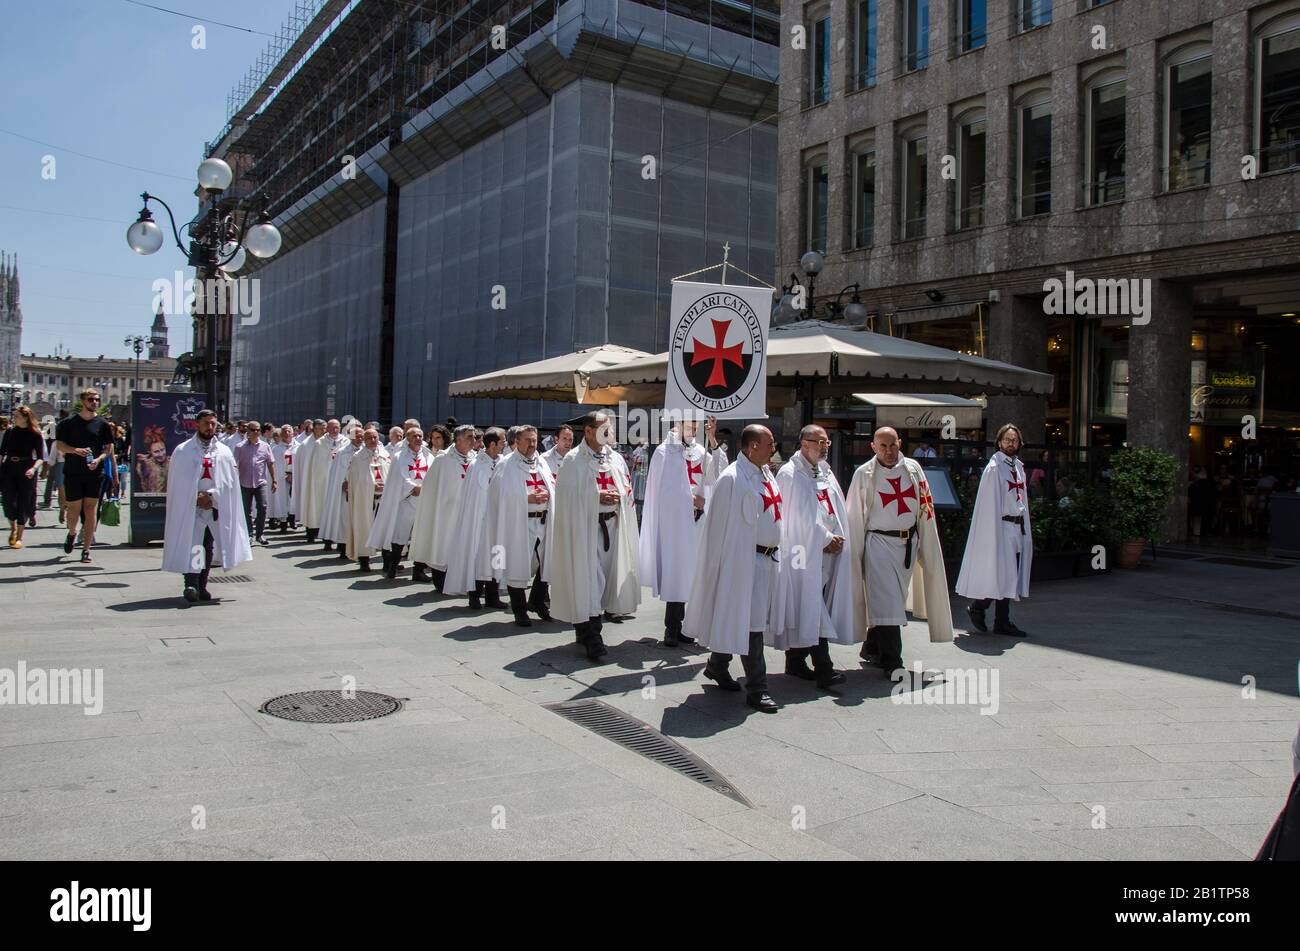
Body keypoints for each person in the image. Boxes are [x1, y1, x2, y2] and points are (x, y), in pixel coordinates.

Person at [831, 426, 953, 675]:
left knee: (891, 600)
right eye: (883, 446)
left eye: (893, 445)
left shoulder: (913, 469)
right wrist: (855, 555)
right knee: (888, 602)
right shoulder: (864, 474)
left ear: (900, 444)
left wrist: (924, 541)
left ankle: (872, 647)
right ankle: (892, 662)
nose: (888, 451)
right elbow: (854, 516)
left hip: (908, 543)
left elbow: (925, 505)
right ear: (873, 447)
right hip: (879, 544)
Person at [683, 425, 781, 713]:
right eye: (768, 443)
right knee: (752, 628)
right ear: (751, 447)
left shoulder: (764, 473)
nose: (772, 448)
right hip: (743, 562)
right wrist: (722, 569)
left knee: (747, 620)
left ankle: (717, 665)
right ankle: (758, 689)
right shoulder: (732, 479)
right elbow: (717, 530)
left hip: (767, 560)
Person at [549, 411, 640, 662]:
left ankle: (583, 626)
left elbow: (626, 487)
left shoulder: (616, 459)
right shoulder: (573, 461)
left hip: (613, 526)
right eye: (602, 428)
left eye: (609, 428)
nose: (608, 432)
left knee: (606, 580)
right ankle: (593, 637)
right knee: (589, 579)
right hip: (585, 530)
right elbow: (566, 499)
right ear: (588, 431)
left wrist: (619, 498)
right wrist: (595, 498)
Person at [637, 416, 726, 648]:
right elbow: (662, 490)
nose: (694, 430)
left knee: (696, 575)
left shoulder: (703, 451)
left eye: (697, 426)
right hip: (676, 523)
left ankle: (689, 627)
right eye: (689, 425)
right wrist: (688, 500)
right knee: (677, 572)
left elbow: (719, 475)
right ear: (678, 425)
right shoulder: (665, 452)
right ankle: (672, 628)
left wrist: (712, 439)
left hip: (699, 521)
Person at [774, 424, 849, 688]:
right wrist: (825, 539)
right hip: (801, 552)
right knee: (811, 606)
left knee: (810, 606)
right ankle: (824, 668)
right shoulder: (790, 474)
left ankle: (794, 662)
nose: (824, 446)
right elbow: (796, 516)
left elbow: (834, 507)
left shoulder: (824, 471)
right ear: (804, 443)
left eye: (826, 442)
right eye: (819, 442)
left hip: (827, 551)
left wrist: (838, 535)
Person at [161, 409, 251, 602]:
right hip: (191, 507)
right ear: (197, 425)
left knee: (207, 546)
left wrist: (212, 496)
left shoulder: (224, 452)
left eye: (212, 424)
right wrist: (195, 496)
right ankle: (191, 584)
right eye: (206, 423)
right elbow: (179, 482)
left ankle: (202, 585)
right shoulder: (184, 450)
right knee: (194, 546)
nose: (210, 427)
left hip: (214, 506)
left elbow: (229, 482)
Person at [956, 423, 1033, 637]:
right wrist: (994, 535)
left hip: (1017, 527)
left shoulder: (1017, 467)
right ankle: (982, 609)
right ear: (999, 442)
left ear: (1019, 443)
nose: (1011, 443)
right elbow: (989, 505)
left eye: (1014, 440)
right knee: (1004, 574)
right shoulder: (994, 468)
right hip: (1002, 527)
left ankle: (999, 619)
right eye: (1007, 440)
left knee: (1010, 575)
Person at [490, 424, 554, 626]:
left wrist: (548, 496)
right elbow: (500, 496)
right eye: (527, 440)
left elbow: (552, 486)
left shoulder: (541, 462)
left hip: (543, 521)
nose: (532, 444)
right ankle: (519, 610)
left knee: (547, 563)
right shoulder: (506, 464)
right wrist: (527, 498)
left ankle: (537, 601)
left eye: (534, 440)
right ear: (516, 442)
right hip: (519, 523)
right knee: (517, 566)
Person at [444, 427, 508, 610]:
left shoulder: (504, 462)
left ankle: (493, 596)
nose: (504, 445)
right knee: (477, 557)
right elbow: (477, 495)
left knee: (497, 555)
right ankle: (474, 594)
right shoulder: (477, 465)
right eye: (502, 442)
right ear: (493, 444)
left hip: (498, 520)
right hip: (479, 521)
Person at [409, 423, 476, 586]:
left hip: (468, 512)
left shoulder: (475, 458)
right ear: (458, 439)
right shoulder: (443, 459)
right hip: (446, 513)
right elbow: (431, 490)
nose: (473, 440)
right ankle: (440, 580)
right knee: (443, 544)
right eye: (469, 437)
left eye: (474, 436)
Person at [55, 389, 115, 563]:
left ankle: (86, 550)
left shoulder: (102, 424)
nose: (95, 402)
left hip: (95, 473)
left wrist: (99, 459)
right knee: (73, 509)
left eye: (97, 399)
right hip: (73, 472)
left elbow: (108, 448)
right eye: (91, 399)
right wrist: (75, 450)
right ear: (83, 401)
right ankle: (72, 533)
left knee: (90, 509)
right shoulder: (68, 423)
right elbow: (59, 445)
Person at [367, 425, 433, 579]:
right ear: (407, 439)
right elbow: (399, 478)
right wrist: (413, 488)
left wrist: (426, 488)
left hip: (423, 502)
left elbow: (433, 476)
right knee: (399, 536)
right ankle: (393, 566)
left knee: (421, 536)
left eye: (420, 436)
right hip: (405, 501)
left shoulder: (429, 456)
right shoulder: (399, 456)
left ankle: (419, 570)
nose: (417, 438)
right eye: (414, 436)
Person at [343, 426, 390, 571]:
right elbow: (357, 481)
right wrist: (372, 486)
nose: (373, 440)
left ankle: (388, 562)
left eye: (375, 437)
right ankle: (364, 560)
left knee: (386, 530)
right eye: (369, 438)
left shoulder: (385, 454)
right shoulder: (358, 458)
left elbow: (390, 474)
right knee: (364, 528)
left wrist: (386, 485)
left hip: (383, 499)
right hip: (366, 500)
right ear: (364, 439)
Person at [1, 405, 45, 549]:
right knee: (7, 501)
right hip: (9, 468)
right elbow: (2, 452)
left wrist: (34, 469)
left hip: (26, 468)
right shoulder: (10, 432)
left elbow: (40, 457)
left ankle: (19, 536)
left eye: (17, 416)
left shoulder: (35, 433)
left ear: (26, 418)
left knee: (23, 502)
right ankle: (13, 526)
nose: (14, 419)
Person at [319, 421, 362, 555]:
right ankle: (343, 546)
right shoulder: (343, 453)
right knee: (344, 518)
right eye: (357, 436)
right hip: (346, 492)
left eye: (362, 436)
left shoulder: (366, 451)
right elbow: (339, 472)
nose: (360, 439)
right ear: (351, 437)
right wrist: (344, 482)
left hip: (361, 490)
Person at [234, 418, 277, 545]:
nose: (256, 432)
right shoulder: (239, 447)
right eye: (253, 430)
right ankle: (248, 534)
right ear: (248, 431)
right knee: (246, 510)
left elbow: (270, 464)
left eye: (258, 430)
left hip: (260, 483)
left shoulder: (265, 446)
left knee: (263, 507)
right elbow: (234, 464)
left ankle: (260, 534)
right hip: (244, 483)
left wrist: (274, 480)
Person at [270, 424, 295, 531]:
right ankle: (283, 523)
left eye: (289, 431)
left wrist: (293, 474)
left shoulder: (299, 447)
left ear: (293, 433)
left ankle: (293, 519)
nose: (287, 433)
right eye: (284, 431)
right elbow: (275, 465)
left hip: (295, 478)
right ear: (281, 434)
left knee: (294, 499)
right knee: (282, 499)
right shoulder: (276, 449)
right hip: (281, 478)